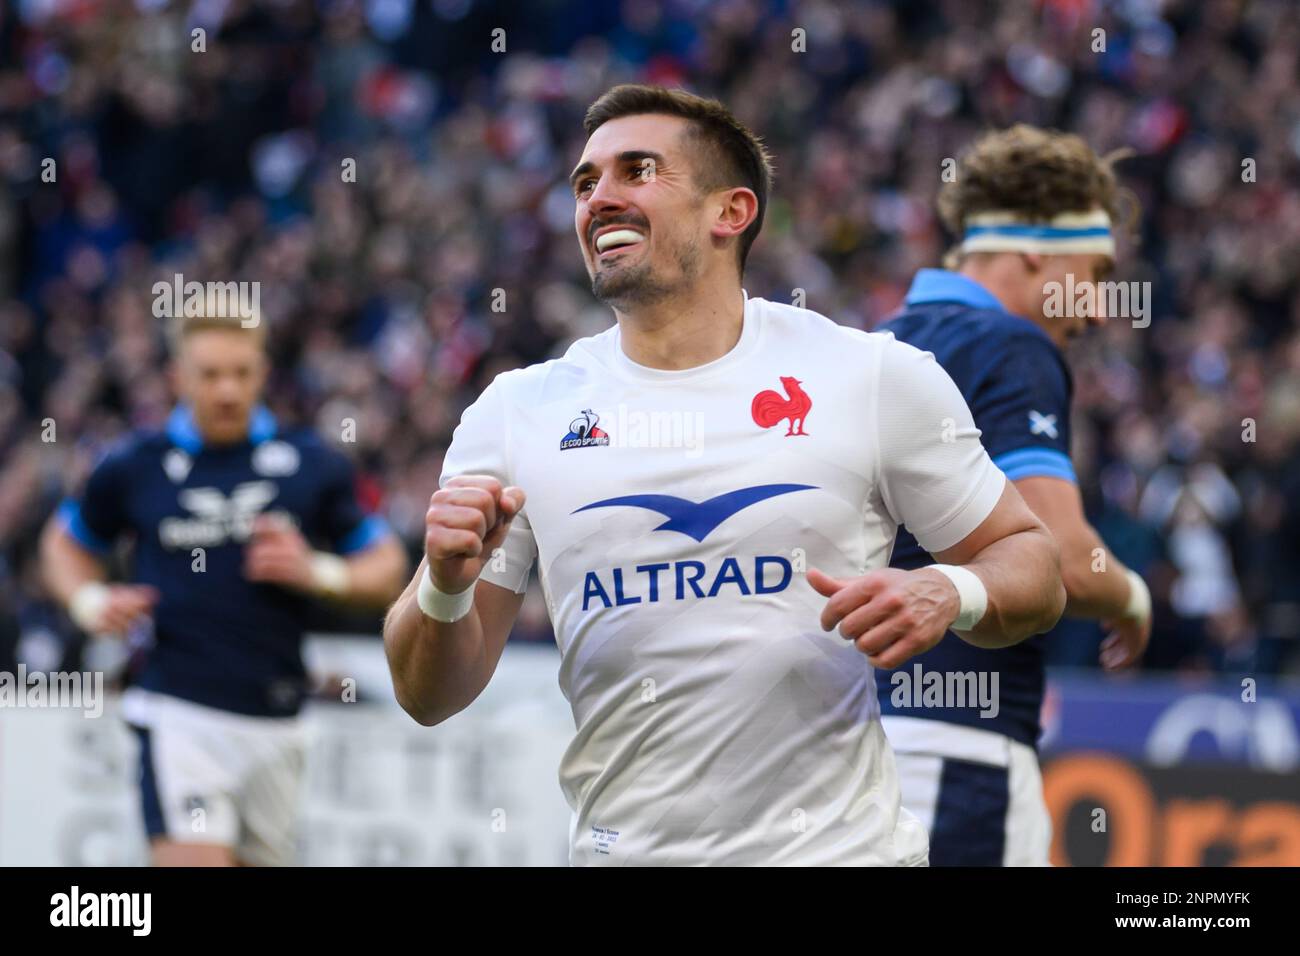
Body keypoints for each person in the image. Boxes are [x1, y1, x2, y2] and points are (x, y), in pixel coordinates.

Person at [384, 86, 1066, 866]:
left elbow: (1036, 568)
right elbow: (428, 695)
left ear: (730, 212)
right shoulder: (516, 412)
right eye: (584, 183)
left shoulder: (870, 377)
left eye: (636, 171)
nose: (600, 198)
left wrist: (953, 590)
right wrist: (443, 584)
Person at [876, 124, 1154, 866]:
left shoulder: (871, 342)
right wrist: (1132, 598)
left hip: (857, 753)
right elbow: (1064, 560)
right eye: (1094, 272)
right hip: (960, 751)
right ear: (1039, 253)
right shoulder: (1014, 345)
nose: (1095, 309)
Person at [39, 309, 408, 866]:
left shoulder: (310, 464)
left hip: (280, 719)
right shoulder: (136, 464)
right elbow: (64, 543)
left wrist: (320, 572)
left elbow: (387, 564)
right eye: (210, 374)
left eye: (241, 372)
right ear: (177, 378)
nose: (228, 389)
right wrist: (89, 601)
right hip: (180, 713)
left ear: (262, 373)